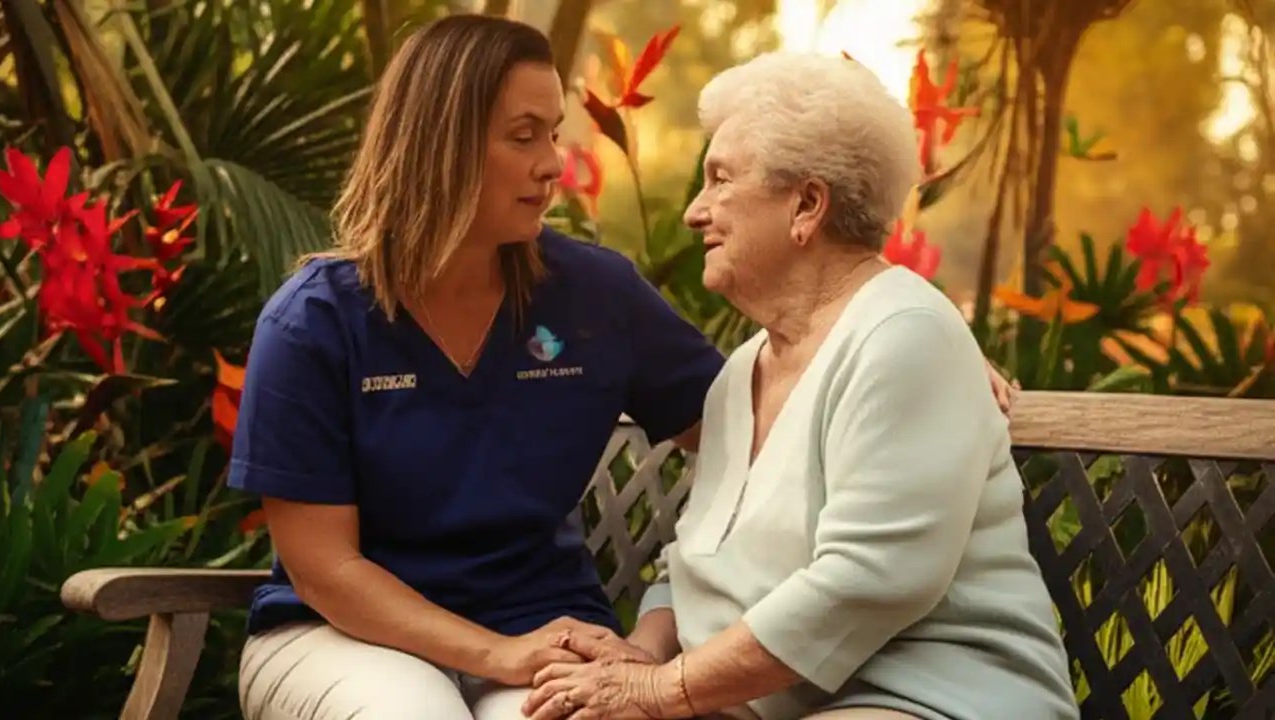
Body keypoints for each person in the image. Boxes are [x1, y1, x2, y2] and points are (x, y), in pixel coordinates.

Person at [228, 16, 1019, 720]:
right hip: (347, 637)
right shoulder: (315, 322)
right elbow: (326, 568)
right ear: (443, 142)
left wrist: (916, 340)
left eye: (554, 133)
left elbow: (765, 418)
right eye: (523, 135)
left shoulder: (592, 295)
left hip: (547, 637)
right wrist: (497, 654)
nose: (553, 164)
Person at [520, 53, 1079, 720]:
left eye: (720, 180)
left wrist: (663, 691)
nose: (697, 211)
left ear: (807, 205)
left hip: (931, 698)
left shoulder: (905, 337)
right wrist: (642, 652)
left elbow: (865, 584)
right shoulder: (742, 373)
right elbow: (697, 567)